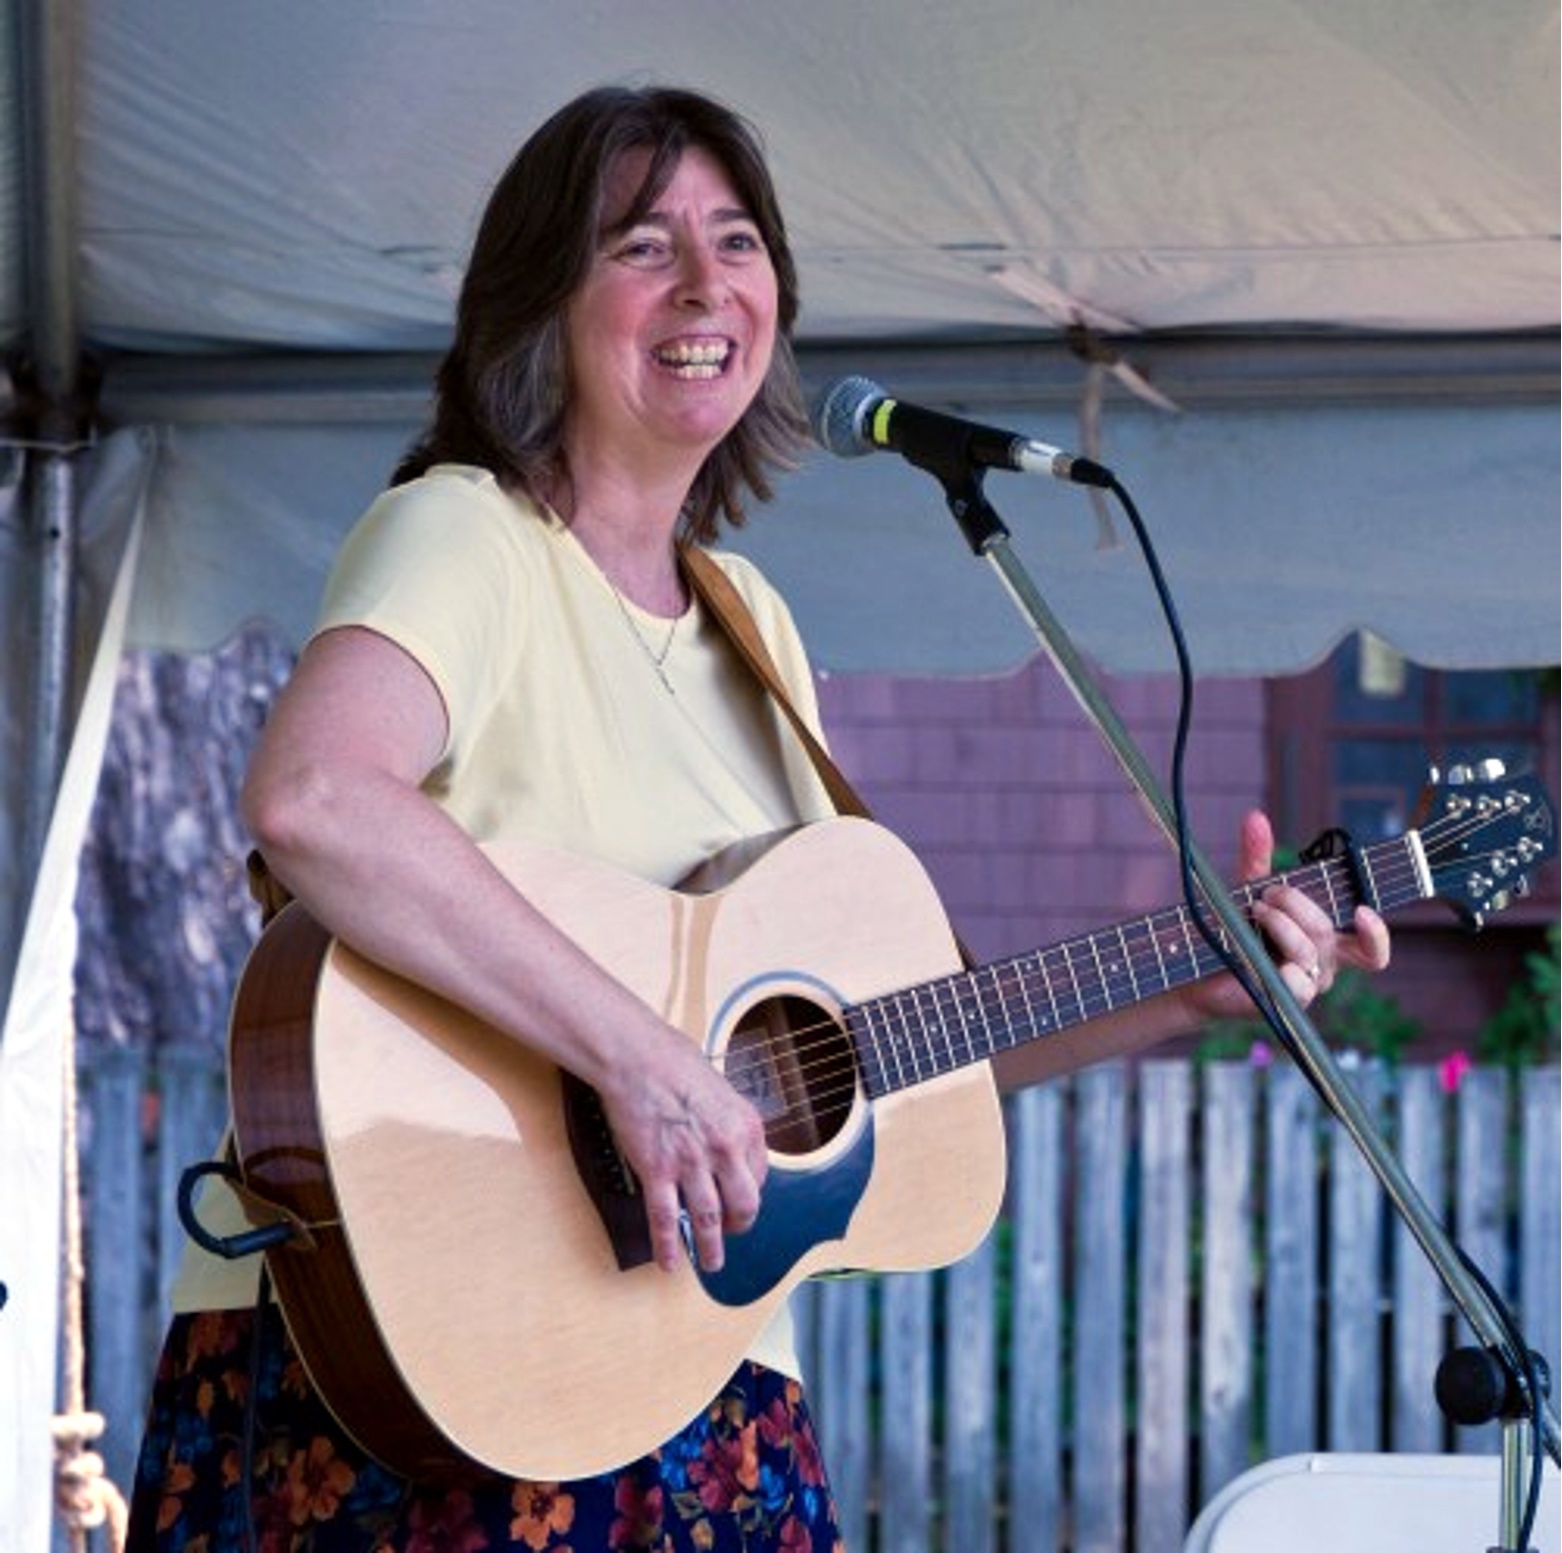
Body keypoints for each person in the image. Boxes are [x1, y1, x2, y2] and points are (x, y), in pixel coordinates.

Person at [124, 84, 1390, 1553]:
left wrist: (1184, 989)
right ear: (540, 300)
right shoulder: (468, 534)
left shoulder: (755, 628)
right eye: (642, 244)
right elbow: (317, 799)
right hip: (428, 1359)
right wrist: (639, 1055)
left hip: (701, 1386)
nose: (704, 282)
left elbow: (869, 1060)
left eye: (736, 242)